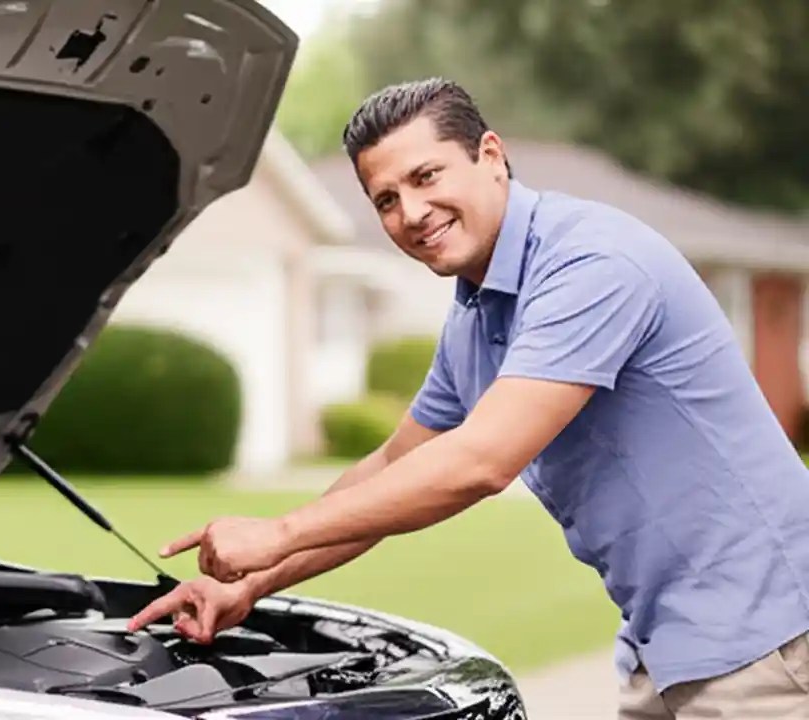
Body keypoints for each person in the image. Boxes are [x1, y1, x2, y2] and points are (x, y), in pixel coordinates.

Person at [126, 77, 809, 718]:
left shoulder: (591, 264)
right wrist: (249, 584)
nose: (411, 213)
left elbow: (480, 462)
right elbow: (397, 464)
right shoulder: (477, 314)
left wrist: (274, 535)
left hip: (771, 644)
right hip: (668, 648)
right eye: (386, 199)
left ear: (490, 155)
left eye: (426, 177)